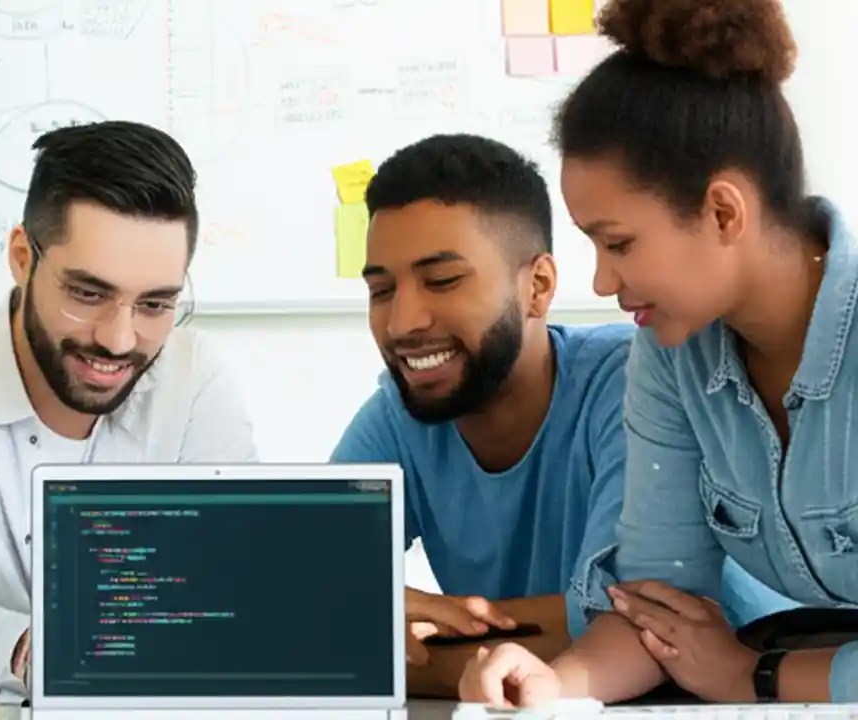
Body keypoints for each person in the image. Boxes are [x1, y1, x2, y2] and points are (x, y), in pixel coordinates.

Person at [460, 0, 858, 706]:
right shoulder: (672, 353)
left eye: (619, 243)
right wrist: (554, 686)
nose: (602, 281)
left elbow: (727, 666)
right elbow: (655, 605)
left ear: (723, 212)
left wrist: (753, 675)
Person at [333, 133, 798, 698]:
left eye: (443, 281)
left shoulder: (636, 384)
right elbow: (295, 595)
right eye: (381, 290)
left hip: (739, 691)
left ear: (539, 286)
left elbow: (632, 621)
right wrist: (361, 618)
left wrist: (394, 646)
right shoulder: (401, 409)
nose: (403, 321)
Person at [0, 120, 256, 698]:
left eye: (154, 304)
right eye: (88, 294)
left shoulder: (193, 378)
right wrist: (37, 651)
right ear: (23, 258)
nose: (120, 339)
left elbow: (232, 589)